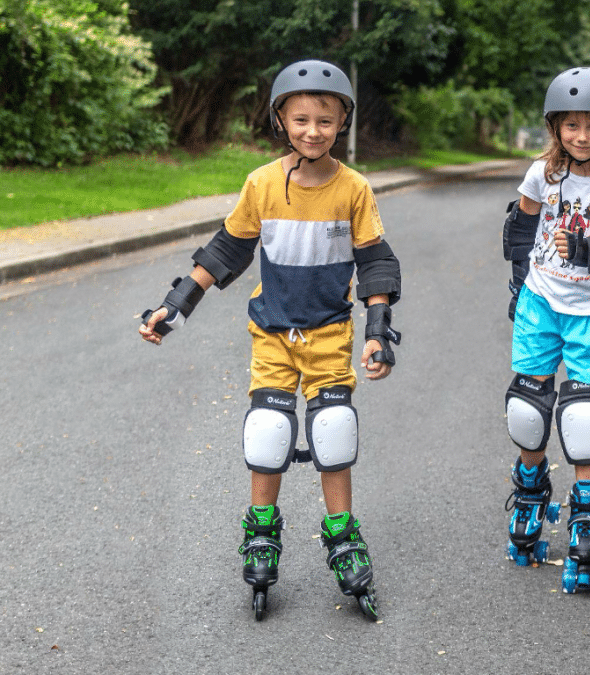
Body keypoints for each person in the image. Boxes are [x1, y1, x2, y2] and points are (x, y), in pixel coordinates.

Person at [138, 59, 401, 621]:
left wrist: (377, 332)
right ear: (280, 119)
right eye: (301, 119)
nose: (313, 130)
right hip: (274, 334)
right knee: (268, 433)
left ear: (342, 123)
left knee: (333, 431)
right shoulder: (261, 184)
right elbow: (226, 251)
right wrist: (175, 306)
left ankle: (342, 531)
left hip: (330, 333)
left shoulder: (353, 188)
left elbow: (375, 262)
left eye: (325, 121)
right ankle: (261, 529)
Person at [500, 66, 590, 595]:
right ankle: (531, 489)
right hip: (541, 302)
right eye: (571, 125)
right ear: (555, 127)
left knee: (585, 415)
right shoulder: (542, 171)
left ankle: (586, 512)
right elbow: (519, 228)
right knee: (527, 407)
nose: (581, 136)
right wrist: (520, 284)